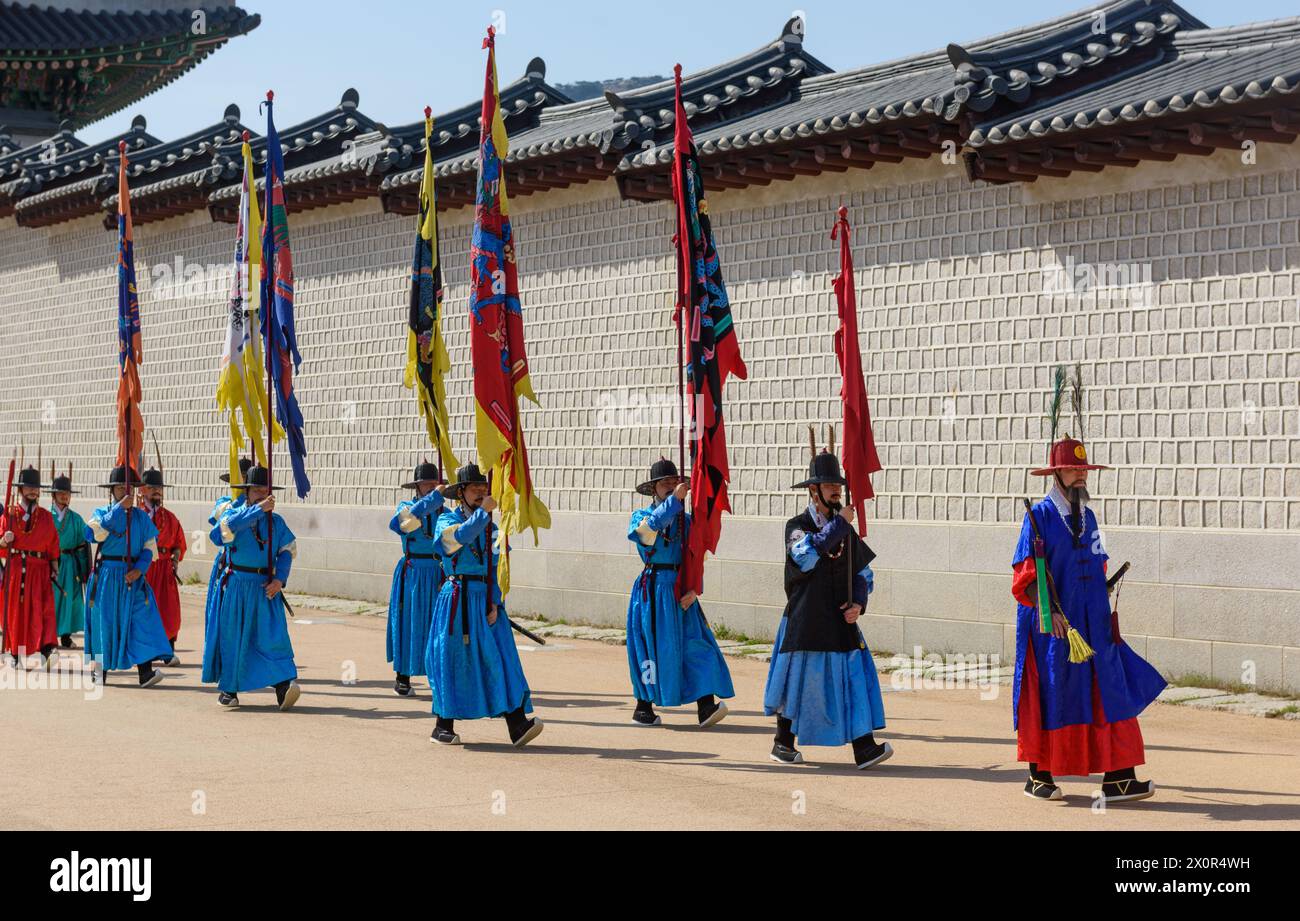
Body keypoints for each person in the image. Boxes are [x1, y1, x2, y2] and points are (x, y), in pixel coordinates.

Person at [1012, 436, 1166, 803]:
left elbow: (1098, 563)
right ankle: (1039, 774)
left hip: (1093, 625)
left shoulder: (1089, 516)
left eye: (1084, 469)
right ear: (1056, 474)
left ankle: (1119, 778)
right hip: (1053, 628)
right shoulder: (1039, 518)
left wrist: (1100, 593)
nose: (1081, 475)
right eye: (1073, 469)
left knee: (1109, 691)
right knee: (1053, 693)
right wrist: (1052, 616)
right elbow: (1026, 576)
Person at [763, 444, 891, 769]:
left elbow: (862, 573)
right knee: (797, 683)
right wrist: (839, 527)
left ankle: (864, 748)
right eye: (830, 485)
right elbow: (804, 558)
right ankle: (782, 743)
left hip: (838, 619)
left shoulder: (842, 527)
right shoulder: (796, 526)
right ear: (814, 490)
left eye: (838, 485)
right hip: (805, 619)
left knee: (854, 678)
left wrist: (859, 602)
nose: (837, 491)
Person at [426, 462, 542, 747]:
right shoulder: (447, 520)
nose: (480, 492)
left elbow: (498, 565)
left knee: (502, 658)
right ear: (461, 492)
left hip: (485, 600)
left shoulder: (490, 524)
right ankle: (443, 725)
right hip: (458, 597)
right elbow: (456, 541)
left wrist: (496, 601)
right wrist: (483, 514)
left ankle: (516, 724)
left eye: (484, 488)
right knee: (452, 660)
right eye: (475, 488)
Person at [625, 457, 733, 727]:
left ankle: (705, 704)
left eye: (675, 483)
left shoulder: (687, 521)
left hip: (681, 587)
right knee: (650, 647)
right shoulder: (641, 517)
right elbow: (646, 535)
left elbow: (697, 556)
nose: (671, 487)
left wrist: (695, 587)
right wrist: (674, 502)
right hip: (653, 589)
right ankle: (643, 705)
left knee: (696, 643)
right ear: (653, 489)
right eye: (665, 484)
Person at [202, 465, 301, 710]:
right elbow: (217, 536)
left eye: (265, 490)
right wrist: (255, 511)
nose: (261, 494)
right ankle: (229, 688)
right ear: (247, 493)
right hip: (237, 585)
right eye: (256, 490)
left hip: (265, 587)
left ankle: (283, 687)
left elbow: (287, 551)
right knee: (233, 637)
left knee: (273, 636)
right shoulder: (234, 516)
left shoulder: (277, 522)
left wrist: (280, 579)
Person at [83, 466, 169, 687]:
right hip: (107, 577)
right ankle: (99, 671)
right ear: (112, 490)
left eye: (129, 488)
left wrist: (140, 569)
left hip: (134, 576)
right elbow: (94, 534)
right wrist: (120, 509)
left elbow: (150, 547)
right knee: (105, 622)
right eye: (121, 487)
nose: (125, 492)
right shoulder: (102, 514)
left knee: (142, 620)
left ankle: (145, 672)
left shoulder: (141, 518)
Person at [387, 461, 447, 697]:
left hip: (438, 571)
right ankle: (403, 675)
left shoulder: (446, 514)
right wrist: (433, 500)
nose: (431, 488)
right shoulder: (408, 507)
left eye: (434, 485)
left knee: (438, 624)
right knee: (408, 619)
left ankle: (438, 673)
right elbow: (400, 525)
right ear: (417, 487)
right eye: (426, 485)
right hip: (413, 570)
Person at [0, 466, 60, 667]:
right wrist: (3, 540)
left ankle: (47, 649)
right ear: (20, 490)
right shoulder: (9, 515)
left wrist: (54, 565)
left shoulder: (45, 516)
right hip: (17, 568)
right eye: (28, 487)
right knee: (16, 610)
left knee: (43, 609)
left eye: (35, 488)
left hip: (40, 569)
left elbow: (52, 543)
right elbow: (0, 546)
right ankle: (15, 653)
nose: (33, 491)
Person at [204, 458, 253, 645]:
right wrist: (245, 502)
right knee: (222, 609)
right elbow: (221, 528)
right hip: (228, 561)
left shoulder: (259, 504)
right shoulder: (226, 504)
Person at [141, 467, 185, 666]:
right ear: (142, 490)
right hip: (144, 568)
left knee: (169, 610)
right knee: (144, 609)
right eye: (151, 487)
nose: (156, 491)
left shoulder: (171, 517)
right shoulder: (136, 515)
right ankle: (144, 652)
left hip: (165, 568)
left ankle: (168, 650)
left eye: (159, 487)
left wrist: (175, 559)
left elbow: (179, 544)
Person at [46, 471, 89, 649]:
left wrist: (84, 569)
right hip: (52, 562)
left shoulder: (76, 519)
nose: (65, 496)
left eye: (67, 493)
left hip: (71, 564)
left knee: (70, 599)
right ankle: (49, 637)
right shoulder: (46, 517)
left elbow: (83, 545)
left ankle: (65, 635)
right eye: (61, 493)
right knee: (52, 599)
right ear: (54, 495)